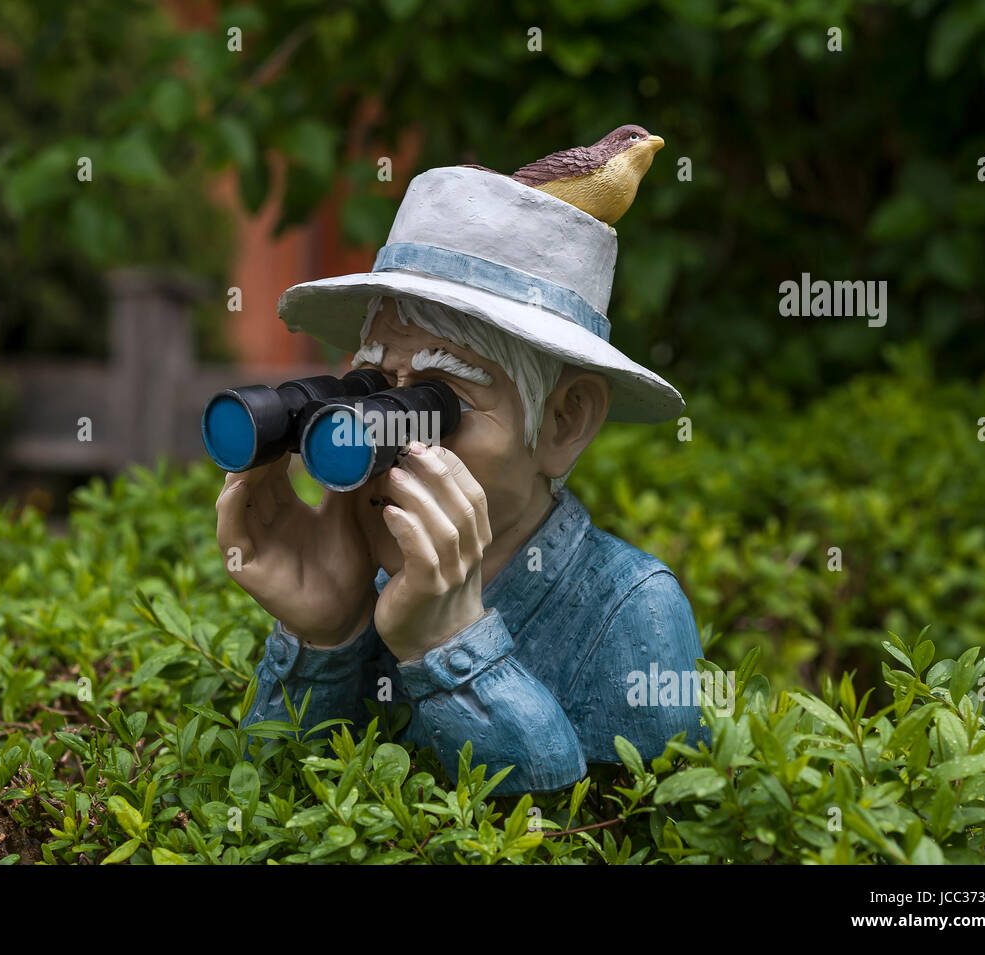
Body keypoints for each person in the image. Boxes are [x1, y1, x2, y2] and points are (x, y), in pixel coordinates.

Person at [217, 165, 706, 794]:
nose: (384, 446)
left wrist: (450, 645)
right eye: (368, 391)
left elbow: (610, 830)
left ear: (564, 421)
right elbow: (271, 807)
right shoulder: (367, 581)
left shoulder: (634, 611)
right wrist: (324, 638)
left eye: (436, 403)